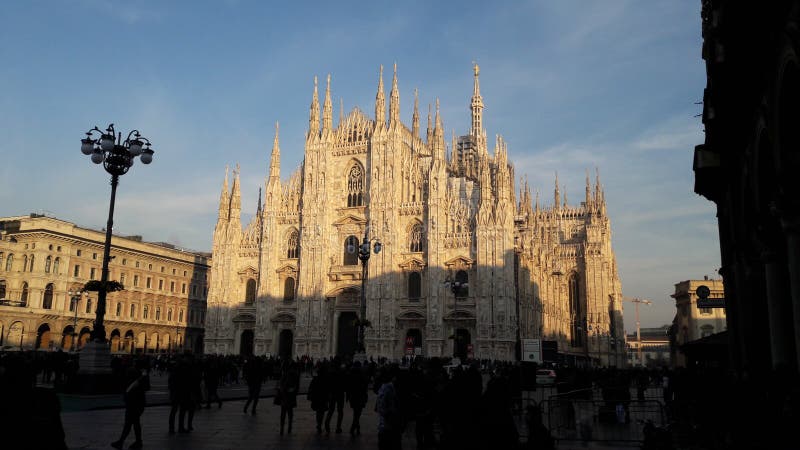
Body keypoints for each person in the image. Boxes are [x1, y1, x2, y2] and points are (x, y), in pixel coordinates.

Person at [112, 361, 150, 449]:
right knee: (134, 423)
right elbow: (147, 387)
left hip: (133, 403)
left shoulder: (134, 376)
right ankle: (136, 442)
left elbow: (127, 389)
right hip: (139, 403)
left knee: (129, 423)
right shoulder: (142, 377)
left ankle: (123, 442)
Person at [376, 365, 402, 450]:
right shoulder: (388, 388)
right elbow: (383, 408)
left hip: (388, 426)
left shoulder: (387, 388)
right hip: (388, 426)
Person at [276, 362, 300, 435]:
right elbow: (297, 387)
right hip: (290, 395)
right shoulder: (295, 375)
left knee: (283, 412)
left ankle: (282, 428)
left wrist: (281, 390)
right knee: (290, 412)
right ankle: (289, 426)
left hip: (284, 395)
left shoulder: (285, 374)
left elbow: (280, 384)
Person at [346, 361, 369, 436]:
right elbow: (365, 386)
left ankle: (357, 427)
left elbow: (348, 386)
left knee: (356, 412)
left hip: (353, 395)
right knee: (358, 412)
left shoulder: (350, 374)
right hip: (360, 395)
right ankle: (353, 427)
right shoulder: (362, 375)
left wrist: (347, 396)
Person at [307, 363, 331, 434]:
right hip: (323, 397)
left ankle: (319, 424)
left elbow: (311, 388)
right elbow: (328, 389)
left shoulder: (316, 379)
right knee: (321, 411)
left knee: (318, 411)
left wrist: (310, 396)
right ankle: (319, 424)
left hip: (317, 397)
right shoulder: (326, 380)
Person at [325, 358, 346, 433]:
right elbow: (344, 383)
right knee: (340, 411)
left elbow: (327, 384)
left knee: (331, 410)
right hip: (340, 393)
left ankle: (327, 423)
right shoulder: (342, 372)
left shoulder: (330, 372)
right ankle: (338, 427)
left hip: (332, 393)